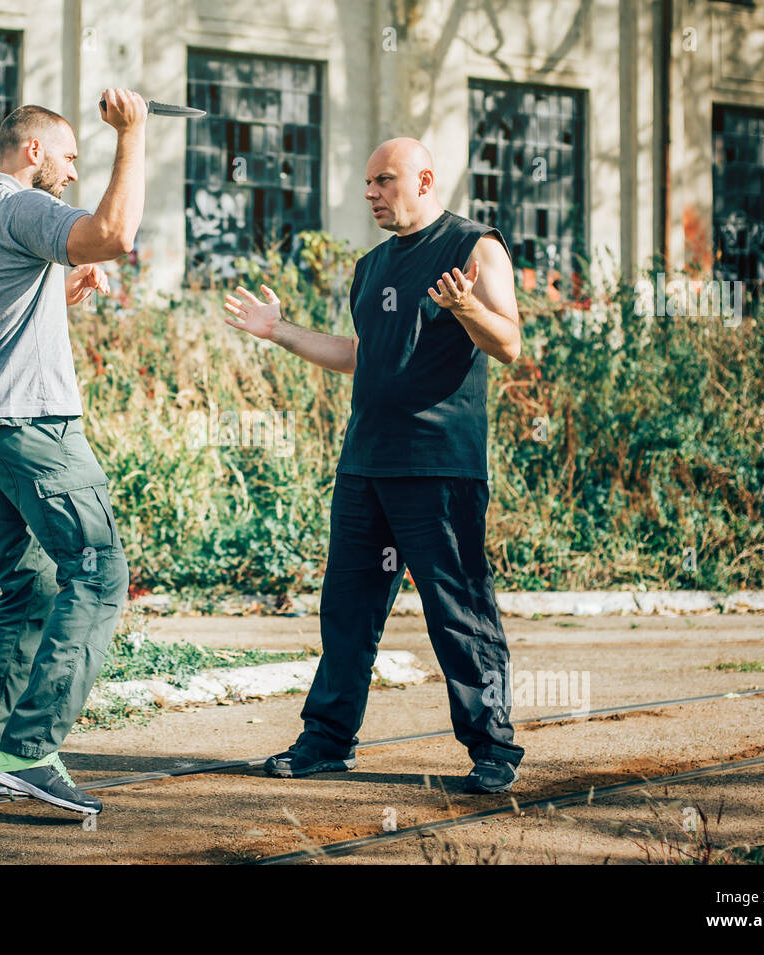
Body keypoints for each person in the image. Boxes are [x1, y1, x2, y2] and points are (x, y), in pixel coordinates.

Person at [223, 137, 525, 793]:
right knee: (348, 609)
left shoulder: (474, 247)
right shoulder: (373, 265)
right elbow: (363, 353)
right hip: (366, 462)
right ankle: (328, 739)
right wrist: (279, 330)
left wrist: (465, 305)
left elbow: (509, 343)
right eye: (367, 183)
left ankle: (493, 746)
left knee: (458, 608)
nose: (370, 193)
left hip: (439, 463)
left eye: (383, 180)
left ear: (423, 178)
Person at [0, 90, 148, 815]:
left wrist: (61, 289)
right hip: (34, 427)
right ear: (32, 152)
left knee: (31, 591)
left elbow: (1, 317)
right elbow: (114, 233)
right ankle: (30, 748)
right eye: (68, 156)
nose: (73, 171)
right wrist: (132, 136)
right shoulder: (20, 207)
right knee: (98, 570)